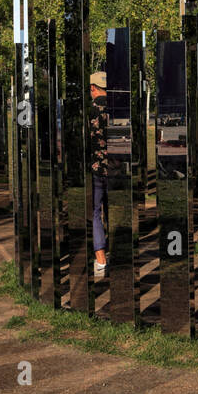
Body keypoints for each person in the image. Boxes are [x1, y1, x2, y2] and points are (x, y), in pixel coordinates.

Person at [89, 70, 109, 278]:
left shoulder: (90, 110)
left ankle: (101, 260)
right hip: (116, 168)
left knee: (95, 212)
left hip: (95, 169)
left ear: (93, 88)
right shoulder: (118, 109)